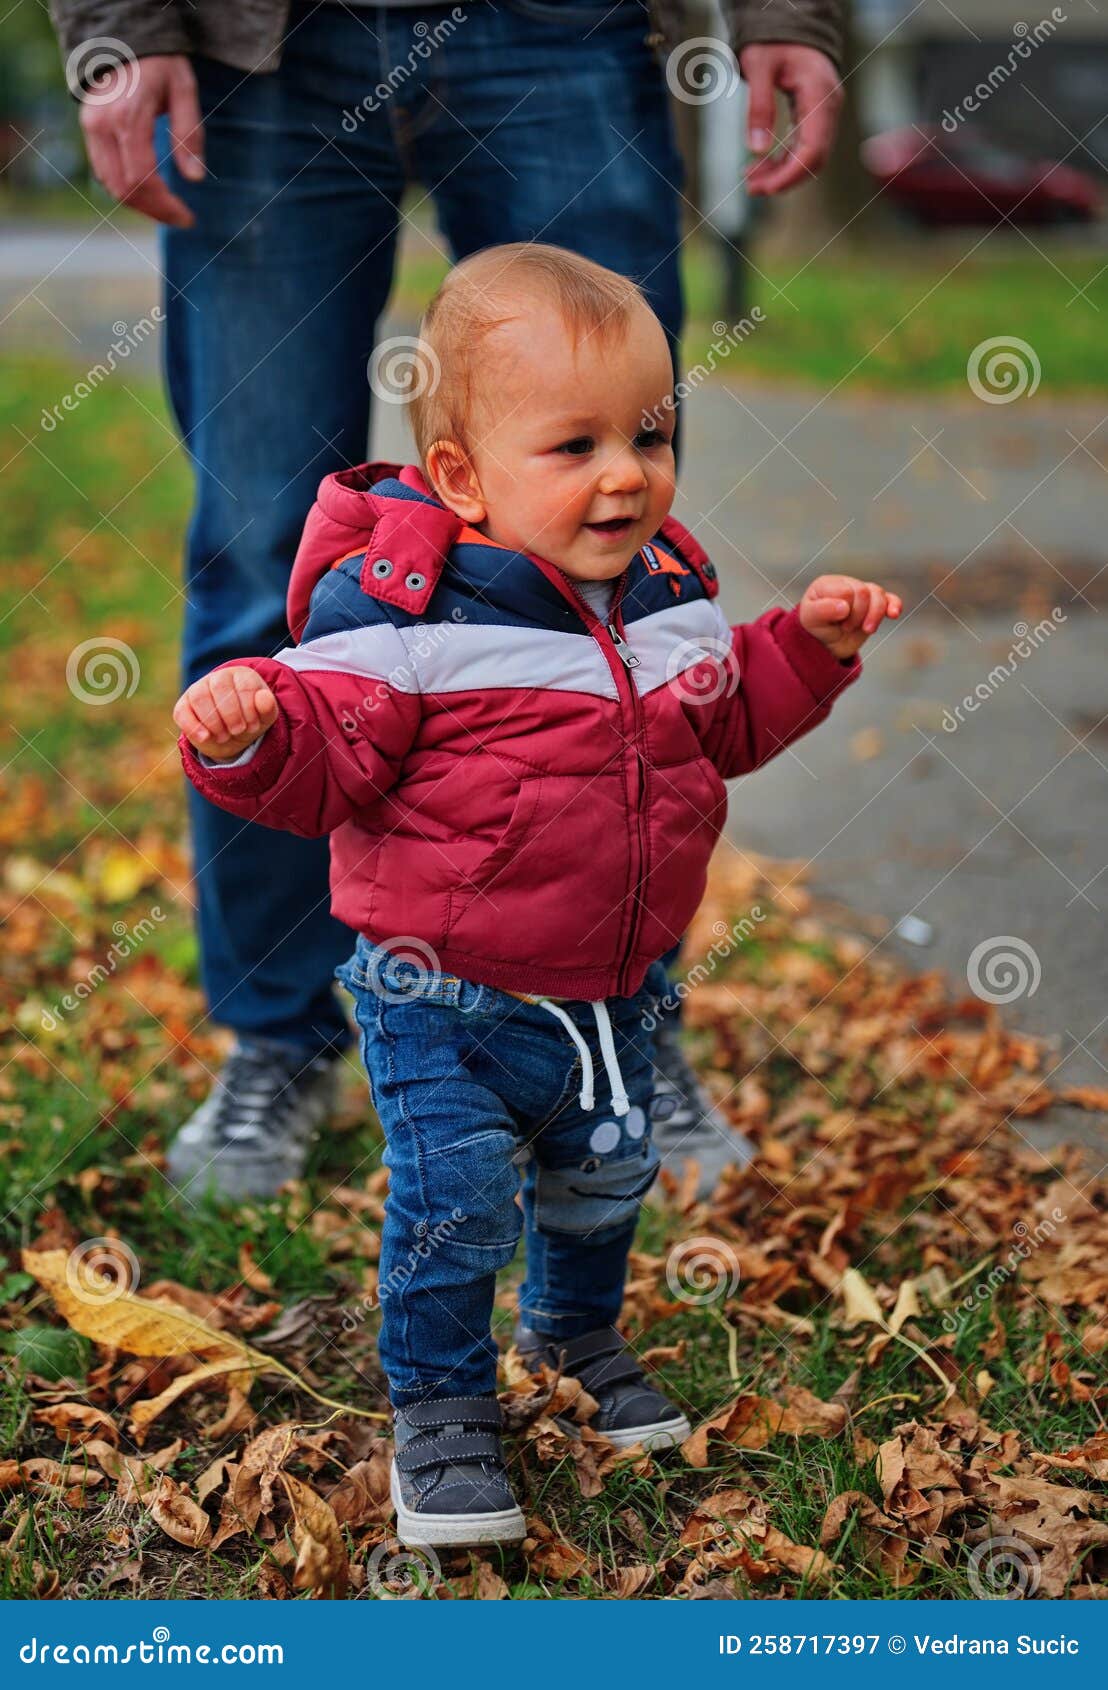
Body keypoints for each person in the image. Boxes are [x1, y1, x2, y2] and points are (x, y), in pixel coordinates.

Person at [49, 0, 847, 1201]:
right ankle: (279, 1034)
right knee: (261, 558)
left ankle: (619, 1023)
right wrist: (118, 27)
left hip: (566, 27)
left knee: (602, 541)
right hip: (255, 44)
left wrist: (791, 13)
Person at [173, 243, 900, 1546]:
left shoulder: (670, 596)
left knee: (601, 1180)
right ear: (462, 477)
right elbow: (324, 759)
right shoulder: (404, 621)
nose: (627, 471)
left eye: (651, 432)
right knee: (456, 1205)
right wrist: (247, 733)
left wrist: (805, 648)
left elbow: (723, 724)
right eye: (576, 445)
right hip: (439, 992)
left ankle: (575, 1334)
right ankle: (443, 1413)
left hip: (619, 986)